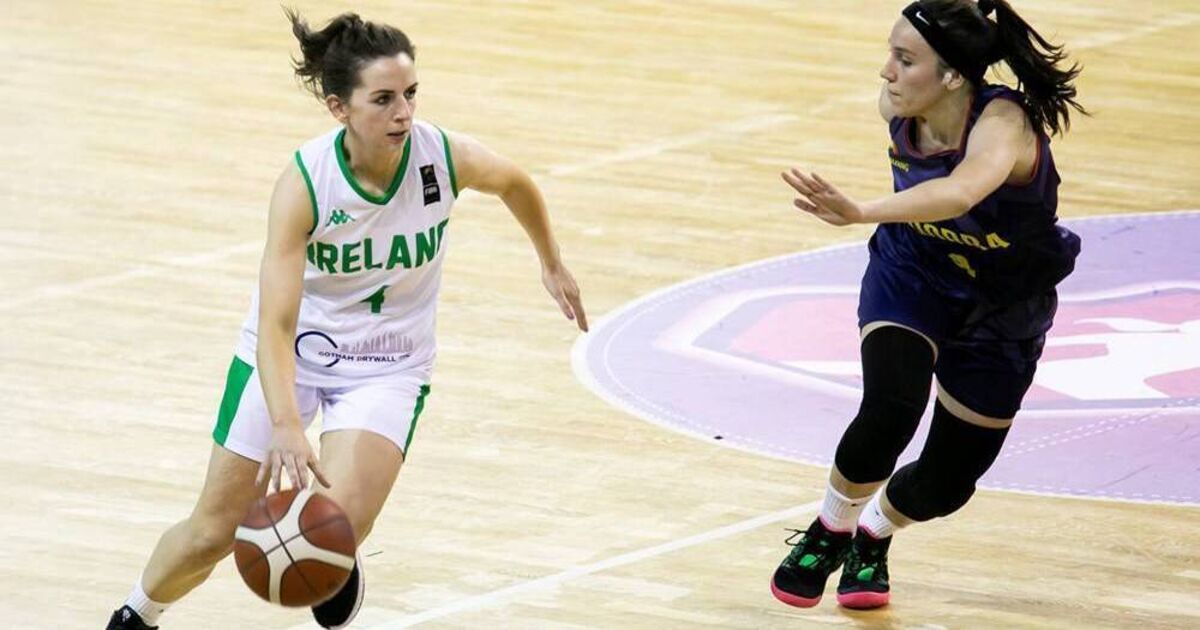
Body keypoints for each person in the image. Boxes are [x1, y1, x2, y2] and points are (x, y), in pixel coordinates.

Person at [107, 10, 587, 630]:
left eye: (410, 95)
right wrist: (286, 423)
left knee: (326, 539)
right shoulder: (305, 185)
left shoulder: (441, 157)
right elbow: (277, 325)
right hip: (292, 352)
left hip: (389, 362)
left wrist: (550, 261)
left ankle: (334, 564)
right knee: (213, 532)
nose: (404, 114)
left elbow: (514, 182)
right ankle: (135, 614)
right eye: (383, 100)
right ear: (339, 108)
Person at [771, 0, 1085, 610]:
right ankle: (828, 530)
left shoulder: (1002, 125)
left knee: (947, 482)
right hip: (914, 273)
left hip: (1004, 300)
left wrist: (860, 210)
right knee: (891, 407)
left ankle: (875, 533)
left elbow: (961, 189)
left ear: (952, 78)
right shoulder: (898, 105)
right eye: (889, 52)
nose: (885, 71)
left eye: (904, 59)